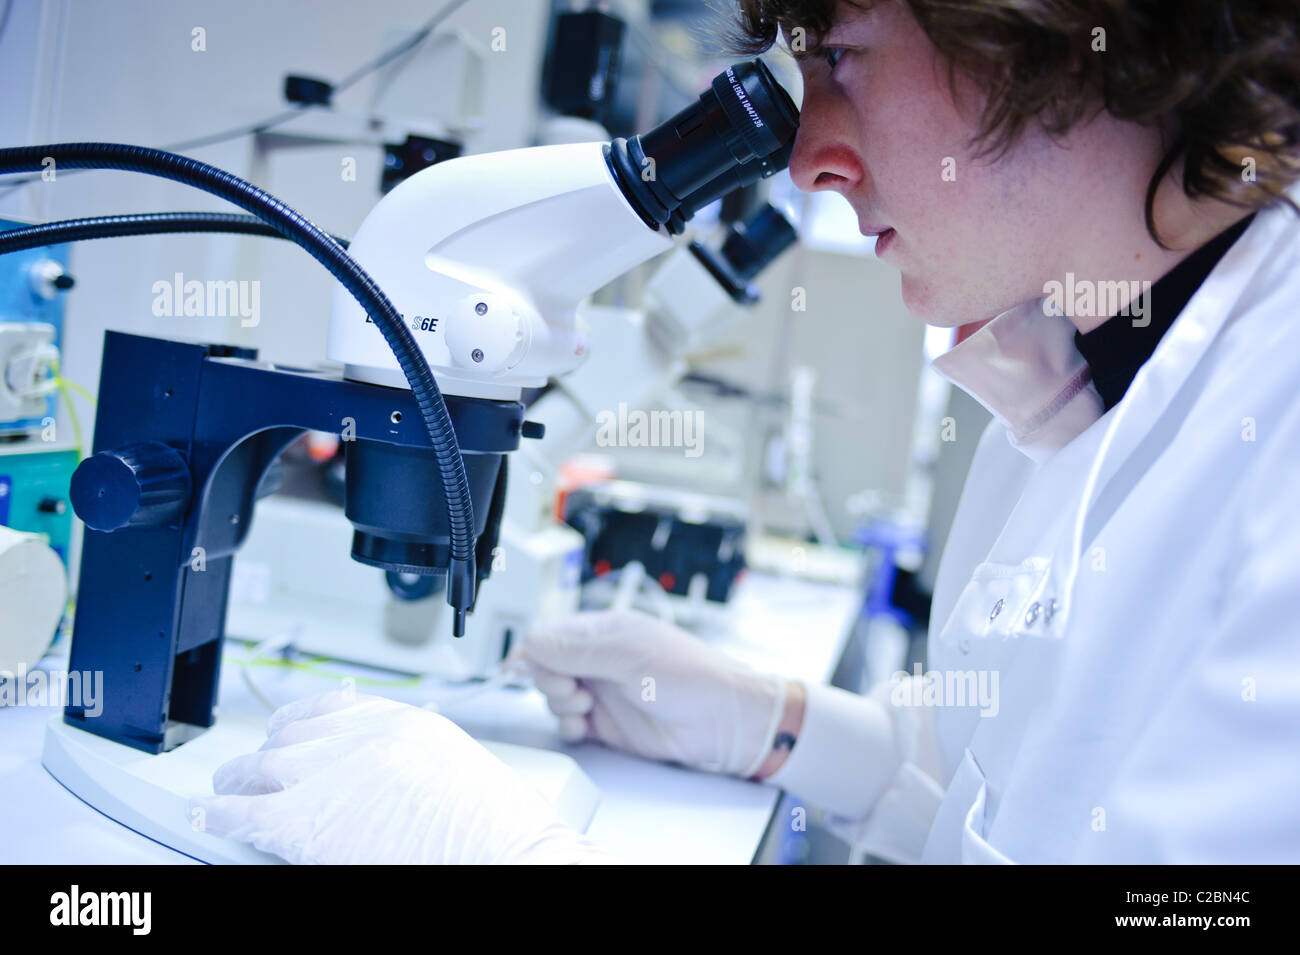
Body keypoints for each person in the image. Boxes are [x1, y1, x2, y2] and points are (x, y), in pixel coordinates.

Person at [195, 0, 1300, 864]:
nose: (809, 155)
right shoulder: (1070, 365)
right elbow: (1013, 789)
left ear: (1057, 35)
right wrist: (769, 723)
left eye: (844, 60)